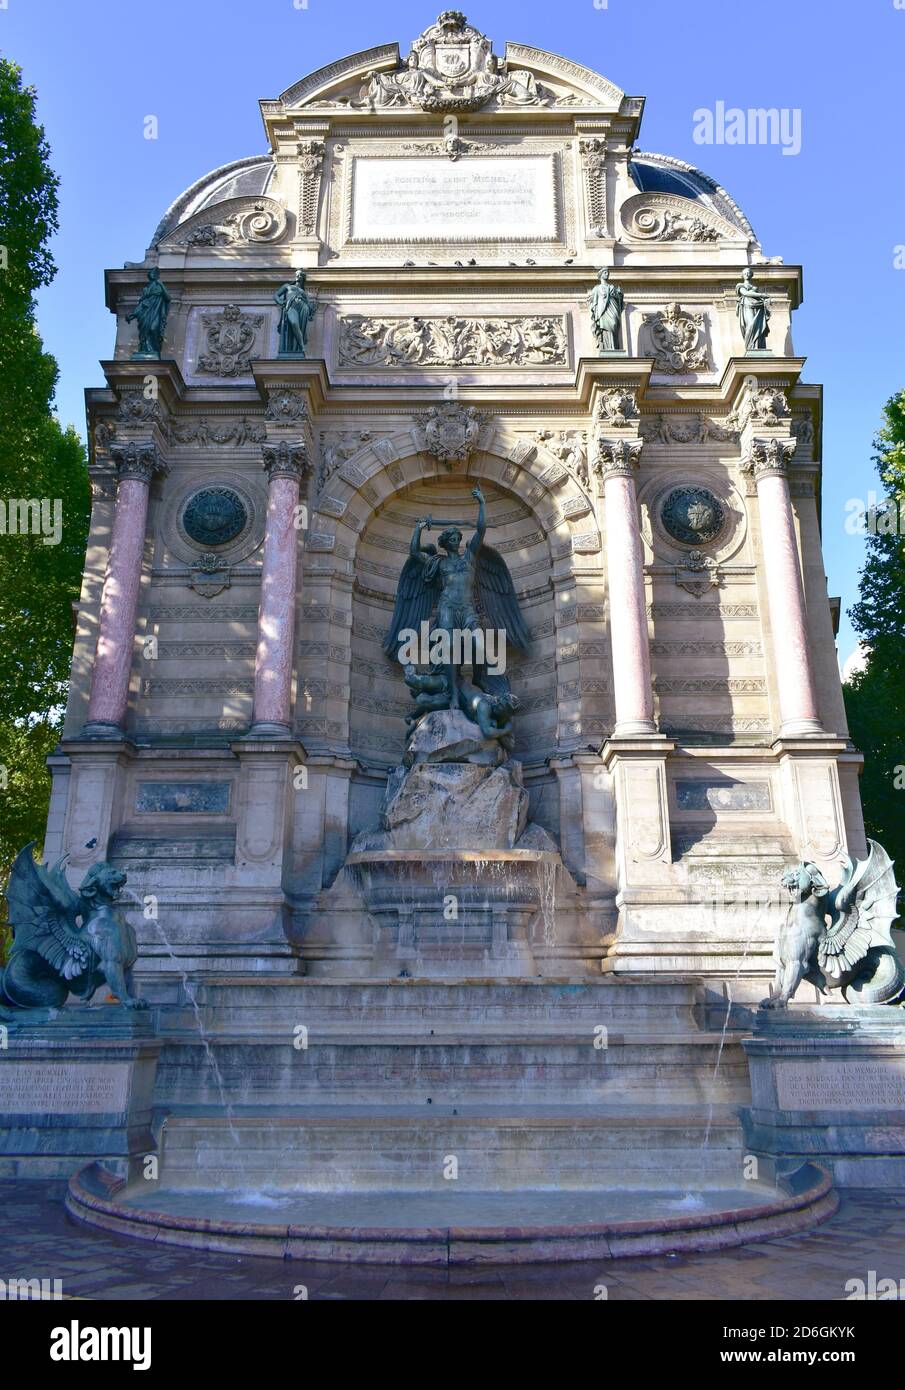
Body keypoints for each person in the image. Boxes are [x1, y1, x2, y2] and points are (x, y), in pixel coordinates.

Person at [126, 268, 170, 358]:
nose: (153, 275)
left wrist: (161, 284)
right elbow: (141, 303)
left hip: (156, 310)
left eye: (154, 273)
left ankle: (154, 349)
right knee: (145, 332)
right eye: (151, 273)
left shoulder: (159, 286)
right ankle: (146, 350)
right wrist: (133, 315)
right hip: (146, 312)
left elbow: (168, 298)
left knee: (153, 328)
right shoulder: (146, 289)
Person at [274, 270, 316, 356]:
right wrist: (281, 302)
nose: (298, 276)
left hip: (303, 308)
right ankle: (302, 346)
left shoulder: (303, 292)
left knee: (300, 327)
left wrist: (311, 310)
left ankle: (299, 349)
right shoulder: (287, 286)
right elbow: (276, 295)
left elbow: (308, 304)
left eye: (300, 275)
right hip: (291, 306)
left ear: (303, 278)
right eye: (297, 275)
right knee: (294, 323)